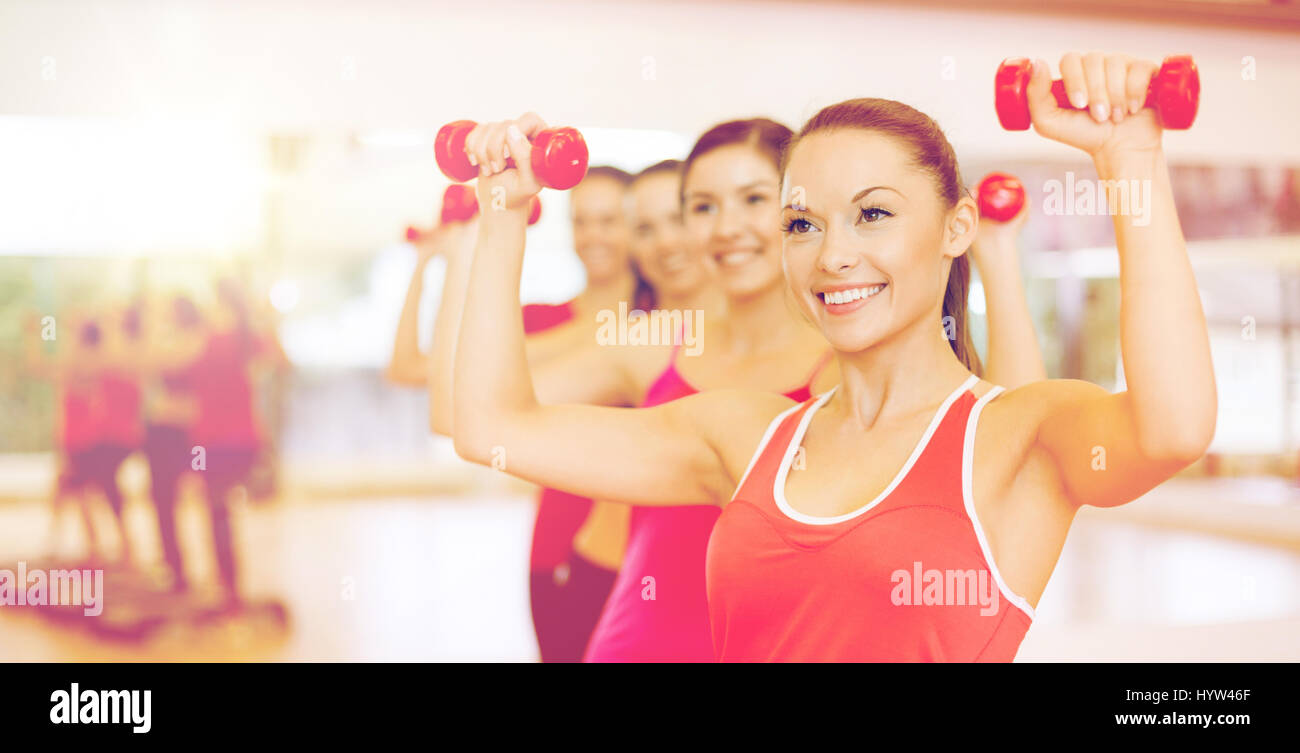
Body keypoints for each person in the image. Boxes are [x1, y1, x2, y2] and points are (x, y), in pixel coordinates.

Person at [449, 52, 1215, 660]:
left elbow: (1173, 427)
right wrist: (503, 215)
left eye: (872, 214)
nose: (832, 255)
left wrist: (1130, 159)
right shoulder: (749, 437)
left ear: (957, 229)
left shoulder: (1014, 433)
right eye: (803, 224)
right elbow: (489, 425)